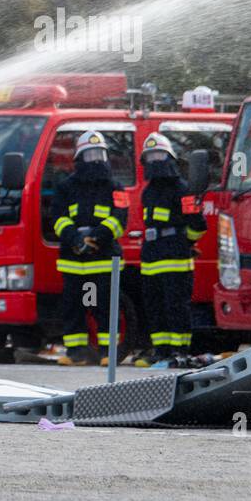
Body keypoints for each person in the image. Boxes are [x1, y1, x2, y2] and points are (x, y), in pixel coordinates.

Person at [51, 129, 128, 366]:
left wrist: (98, 237)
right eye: (90, 154)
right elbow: (57, 218)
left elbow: (120, 219)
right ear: (79, 158)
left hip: (102, 259)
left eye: (99, 154)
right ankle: (76, 353)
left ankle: (108, 352)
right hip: (74, 261)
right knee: (74, 308)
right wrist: (75, 239)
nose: (95, 159)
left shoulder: (116, 187)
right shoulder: (66, 187)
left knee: (103, 307)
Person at [134, 133, 206, 367]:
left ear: (170, 158)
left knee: (176, 306)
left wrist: (187, 243)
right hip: (151, 258)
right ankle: (161, 351)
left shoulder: (183, 189)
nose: (155, 160)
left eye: (160, 155)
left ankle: (180, 351)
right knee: (154, 306)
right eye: (151, 156)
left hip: (176, 258)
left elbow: (198, 224)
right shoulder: (147, 192)